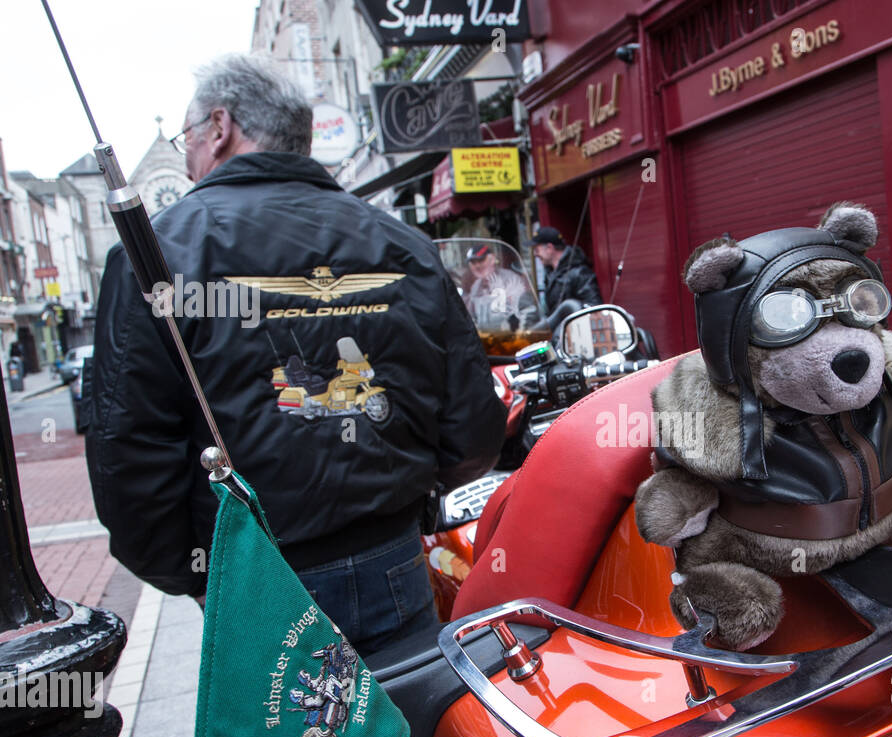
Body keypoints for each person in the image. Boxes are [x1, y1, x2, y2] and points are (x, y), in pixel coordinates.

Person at [87, 54, 505, 656]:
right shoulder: (402, 242)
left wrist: (200, 575)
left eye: (187, 137)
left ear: (220, 126)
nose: (185, 157)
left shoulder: (158, 251)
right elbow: (472, 430)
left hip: (255, 581)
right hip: (393, 561)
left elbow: (128, 455)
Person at [533, 226, 602, 325]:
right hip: (558, 337)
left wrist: (571, 308)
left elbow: (595, 308)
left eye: (537, 249)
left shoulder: (580, 272)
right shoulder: (550, 274)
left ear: (549, 248)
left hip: (576, 335)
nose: (535, 254)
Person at [462, 243, 530, 330]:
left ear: (492, 259)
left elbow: (527, 311)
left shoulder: (510, 279)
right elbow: (471, 315)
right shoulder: (476, 286)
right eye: (473, 262)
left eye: (481, 260)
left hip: (512, 337)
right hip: (487, 338)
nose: (477, 265)